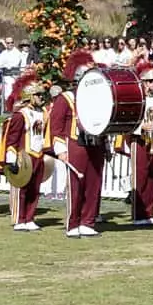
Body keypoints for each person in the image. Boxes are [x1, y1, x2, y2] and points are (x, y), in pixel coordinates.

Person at [48, 50, 98, 237]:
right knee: (76, 185)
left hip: (95, 144)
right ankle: (73, 223)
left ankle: (88, 222)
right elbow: (56, 125)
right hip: (75, 145)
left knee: (94, 184)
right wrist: (60, 149)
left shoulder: (98, 97)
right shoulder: (66, 98)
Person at [1, 71, 48, 231]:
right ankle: (20, 219)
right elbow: (11, 140)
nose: (42, 98)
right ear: (30, 95)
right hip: (24, 156)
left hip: (38, 155)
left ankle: (29, 217)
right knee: (22, 188)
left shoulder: (43, 113)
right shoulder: (20, 115)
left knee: (35, 189)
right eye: (38, 95)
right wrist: (11, 159)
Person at [125, 59, 153, 227]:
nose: (152, 84)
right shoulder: (136, 99)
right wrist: (141, 127)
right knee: (139, 177)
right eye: (148, 81)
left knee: (151, 178)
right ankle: (137, 214)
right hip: (139, 141)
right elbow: (128, 120)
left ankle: (149, 212)